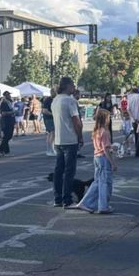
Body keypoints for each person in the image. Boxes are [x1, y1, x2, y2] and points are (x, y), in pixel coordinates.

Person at [75, 107, 118, 214]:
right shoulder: (106, 132)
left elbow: (101, 146)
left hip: (97, 157)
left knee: (98, 182)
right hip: (103, 158)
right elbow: (105, 149)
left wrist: (110, 147)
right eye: (108, 117)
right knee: (104, 183)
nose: (109, 119)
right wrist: (113, 163)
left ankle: (85, 203)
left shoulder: (96, 131)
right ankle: (103, 206)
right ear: (105, 119)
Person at [51, 77, 83, 208]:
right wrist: (80, 137)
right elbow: (76, 121)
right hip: (70, 139)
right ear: (67, 86)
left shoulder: (55, 100)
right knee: (69, 171)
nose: (74, 88)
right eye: (73, 86)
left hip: (59, 139)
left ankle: (57, 198)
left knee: (59, 171)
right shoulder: (70, 101)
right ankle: (67, 199)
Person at [42, 92, 56, 156]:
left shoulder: (55, 99)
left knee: (51, 133)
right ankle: (50, 149)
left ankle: (51, 149)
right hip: (49, 119)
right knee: (52, 133)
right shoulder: (48, 100)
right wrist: (53, 114)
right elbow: (44, 110)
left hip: (52, 118)